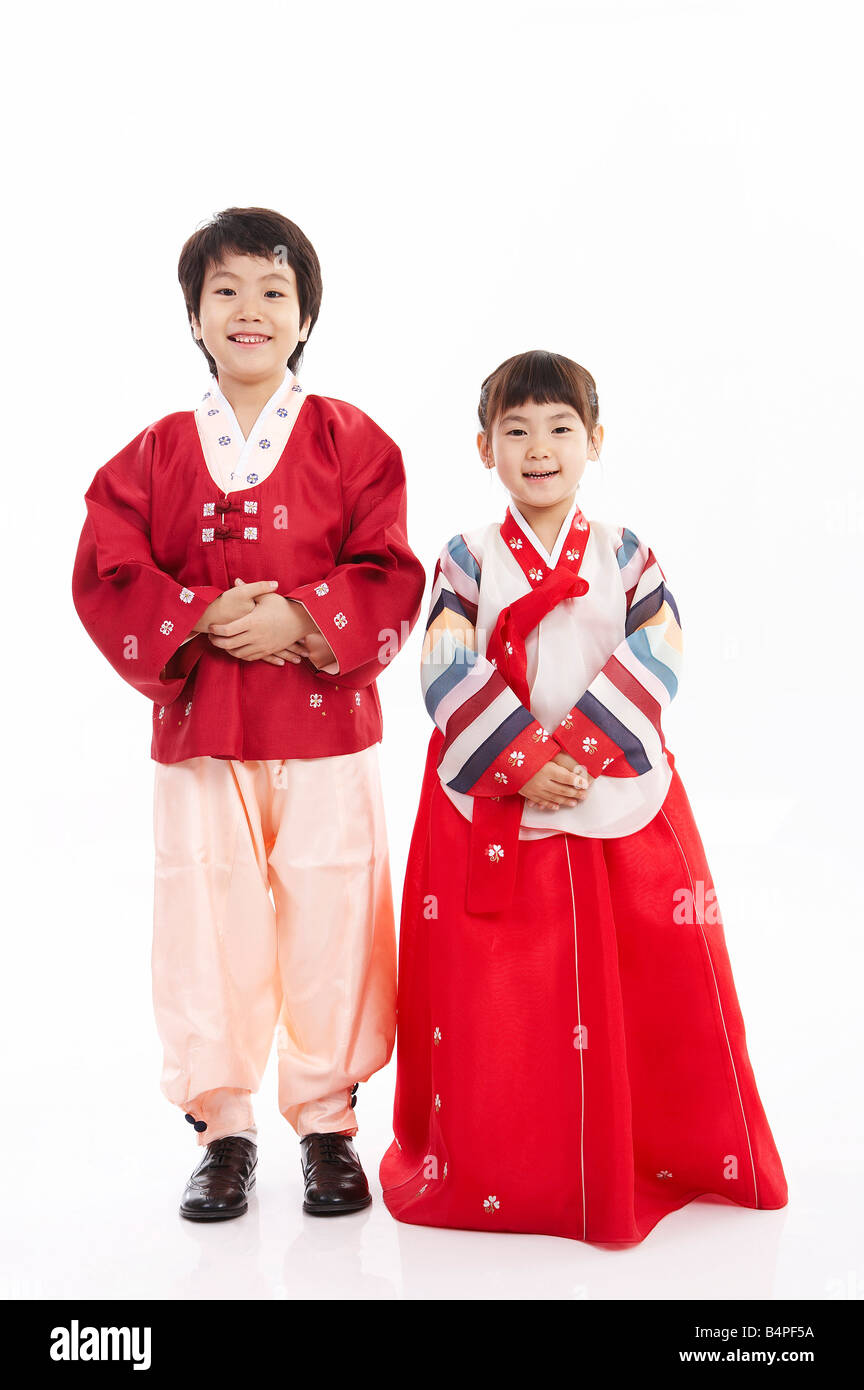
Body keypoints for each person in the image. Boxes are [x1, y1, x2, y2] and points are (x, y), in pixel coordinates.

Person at [379, 349, 788, 1244]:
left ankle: (643, 1146)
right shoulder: (464, 557)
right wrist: (521, 757)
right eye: (515, 430)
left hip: (614, 796)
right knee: (498, 996)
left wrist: (577, 750)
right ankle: (503, 1164)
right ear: (483, 447)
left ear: (594, 440)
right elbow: (443, 659)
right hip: (494, 797)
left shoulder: (628, 555)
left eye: (560, 428)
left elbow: (661, 652)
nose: (539, 447)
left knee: (650, 976)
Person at [72, 206, 426, 1221]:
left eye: (275, 290)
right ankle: (224, 1126)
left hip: (323, 726)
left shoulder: (353, 441)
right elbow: (109, 563)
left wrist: (304, 619)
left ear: (306, 314)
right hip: (203, 729)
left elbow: (391, 566)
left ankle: (326, 1120)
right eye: (225, 289)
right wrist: (199, 614)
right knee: (204, 912)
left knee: (332, 911)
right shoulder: (154, 453)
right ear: (193, 314)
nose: (250, 309)